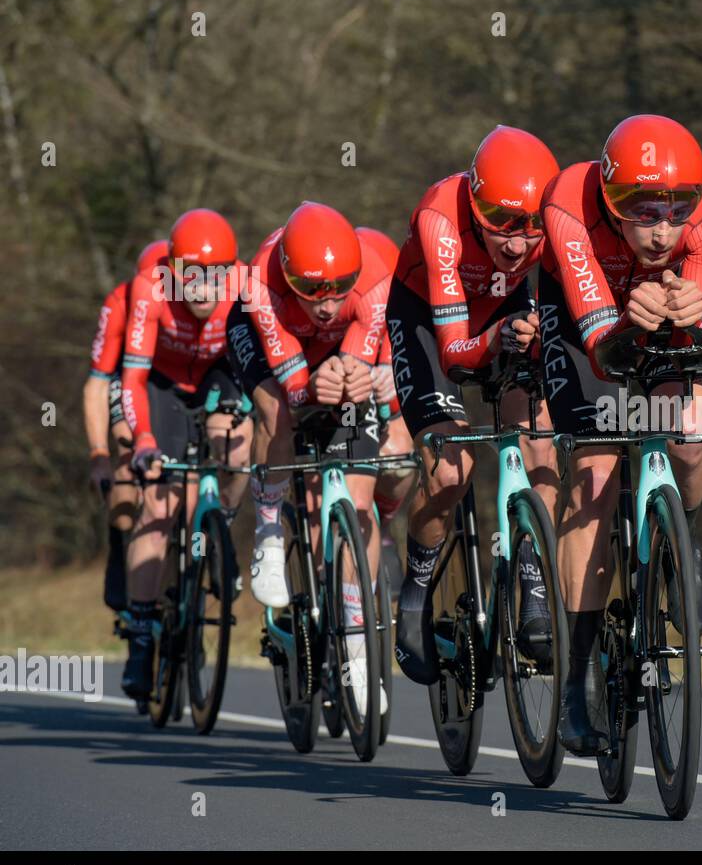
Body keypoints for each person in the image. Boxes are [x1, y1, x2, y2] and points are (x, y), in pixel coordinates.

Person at [538, 113, 702, 753]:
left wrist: (689, 319)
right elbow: (602, 350)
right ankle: (580, 671)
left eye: (677, 212)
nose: (662, 230)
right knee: (595, 475)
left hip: (657, 316)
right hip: (582, 324)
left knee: (691, 435)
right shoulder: (568, 202)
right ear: (612, 201)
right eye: (643, 211)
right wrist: (628, 320)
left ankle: (683, 537)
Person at [384, 125, 561, 686]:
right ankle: (415, 592)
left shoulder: (548, 226)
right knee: (450, 470)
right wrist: (500, 337)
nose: (516, 243)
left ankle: (532, 577)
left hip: (507, 310)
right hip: (429, 323)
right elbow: (458, 354)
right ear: (474, 201)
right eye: (500, 224)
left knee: (538, 440)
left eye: (532, 226)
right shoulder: (441, 217)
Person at [226, 201, 391, 716]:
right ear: (289, 275)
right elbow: (297, 388)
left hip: (338, 351)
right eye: (313, 289)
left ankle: (358, 651)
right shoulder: (261, 281)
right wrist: (312, 391)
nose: (325, 302)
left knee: (359, 506)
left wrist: (362, 379)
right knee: (278, 411)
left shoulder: (377, 274)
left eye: (338, 288)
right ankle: (271, 531)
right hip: (268, 341)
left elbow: (363, 362)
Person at [119, 210, 253, 699]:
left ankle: (224, 531)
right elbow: (131, 378)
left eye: (213, 276)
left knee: (237, 446)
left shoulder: (246, 283)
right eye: (189, 278)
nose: (201, 289)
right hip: (165, 386)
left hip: (219, 375)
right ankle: (140, 634)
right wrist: (145, 442)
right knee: (159, 506)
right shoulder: (148, 290)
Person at [84, 238, 168, 614]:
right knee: (128, 447)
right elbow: (97, 385)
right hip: (129, 375)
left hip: (172, 380)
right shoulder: (119, 303)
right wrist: (99, 454)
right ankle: (120, 545)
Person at [356, 225, 416, 588]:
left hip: (385, 396)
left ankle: (387, 524)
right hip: (343, 392)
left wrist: (392, 379)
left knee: (398, 458)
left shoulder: (402, 299)